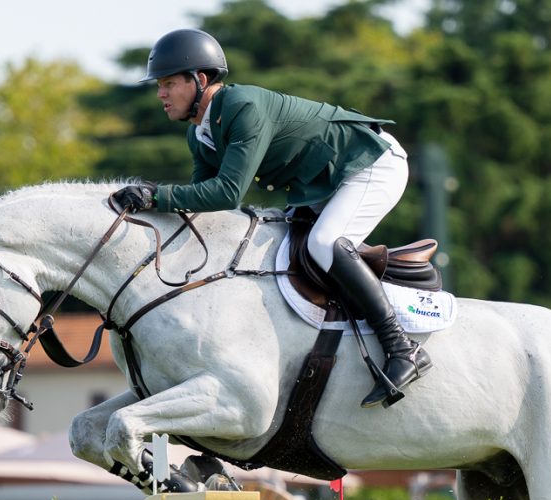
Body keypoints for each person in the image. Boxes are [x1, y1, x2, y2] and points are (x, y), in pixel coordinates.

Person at [110, 28, 431, 408]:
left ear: (200, 79)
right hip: (324, 183)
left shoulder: (241, 106)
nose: (160, 94)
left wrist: (155, 196)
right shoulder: (199, 135)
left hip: (370, 163)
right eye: (159, 86)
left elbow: (227, 193)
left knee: (324, 243)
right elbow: (201, 201)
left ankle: (402, 348)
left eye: (167, 84)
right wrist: (152, 204)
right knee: (277, 246)